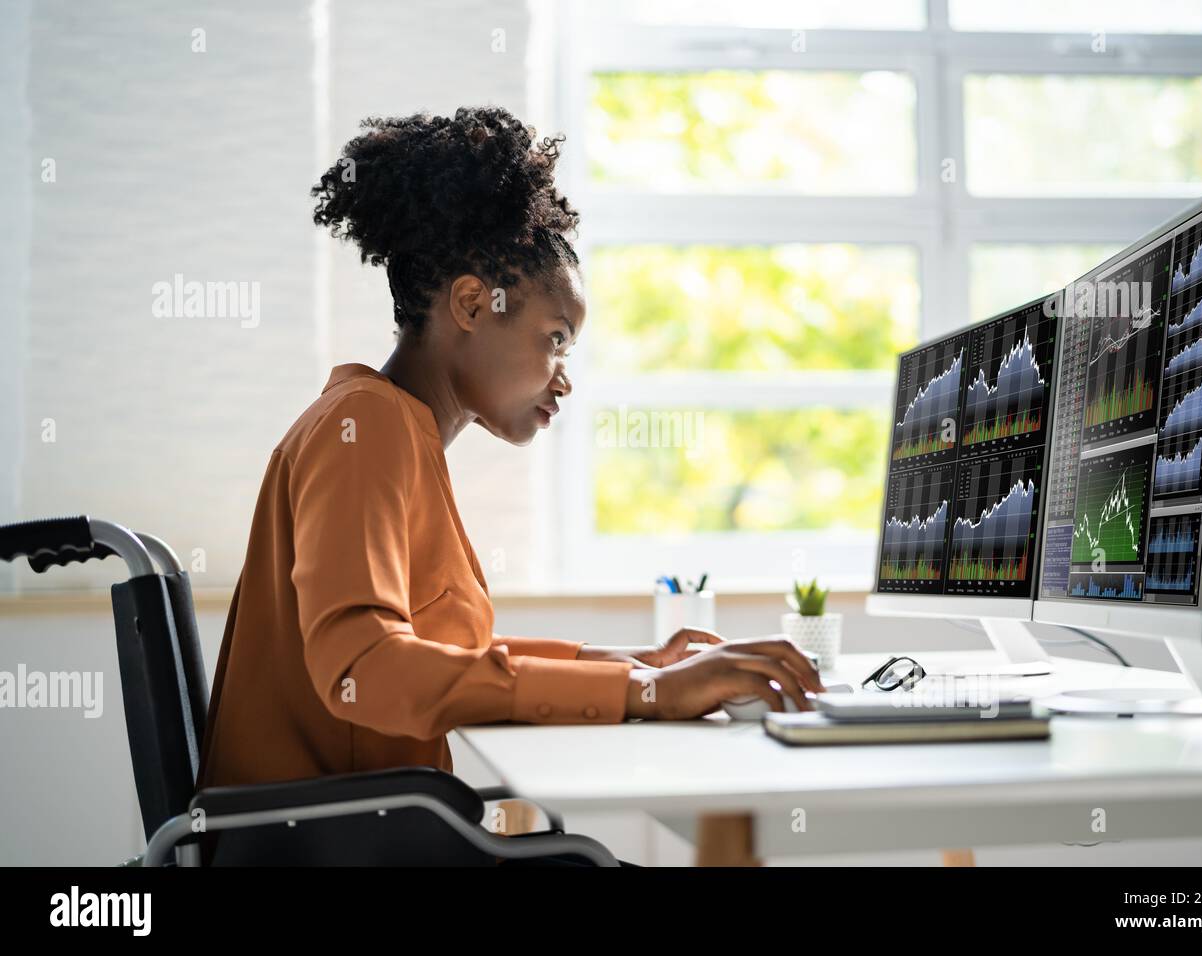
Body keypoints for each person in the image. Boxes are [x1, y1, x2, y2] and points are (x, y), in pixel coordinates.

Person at [195, 106, 824, 863]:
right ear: (470, 304)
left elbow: (442, 655)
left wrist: (636, 666)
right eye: (554, 339)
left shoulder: (388, 429)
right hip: (332, 849)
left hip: (354, 835)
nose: (564, 378)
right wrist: (649, 696)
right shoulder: (366, 426)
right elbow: (365, 668)